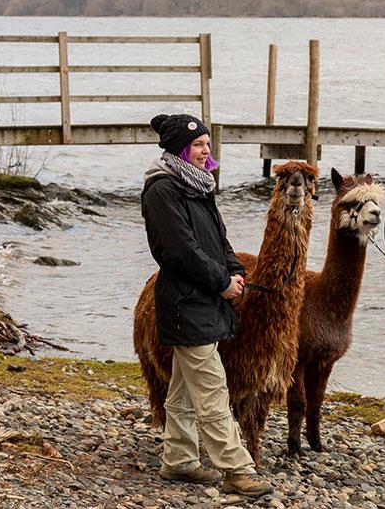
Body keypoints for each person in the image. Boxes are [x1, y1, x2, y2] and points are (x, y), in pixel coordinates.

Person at [141, 113, 273, 498]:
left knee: (183, 388)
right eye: (198, 145)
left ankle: (178, 461)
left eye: (208, 145)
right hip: (184, 301)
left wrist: (236, 271)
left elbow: (219, 239)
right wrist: (221, 283)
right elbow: (179, 251)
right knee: (213, 388)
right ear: (180, 148)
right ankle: (237, 468)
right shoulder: (162, 190)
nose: (205, 151)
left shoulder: (198, 186)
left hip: (203, 300)